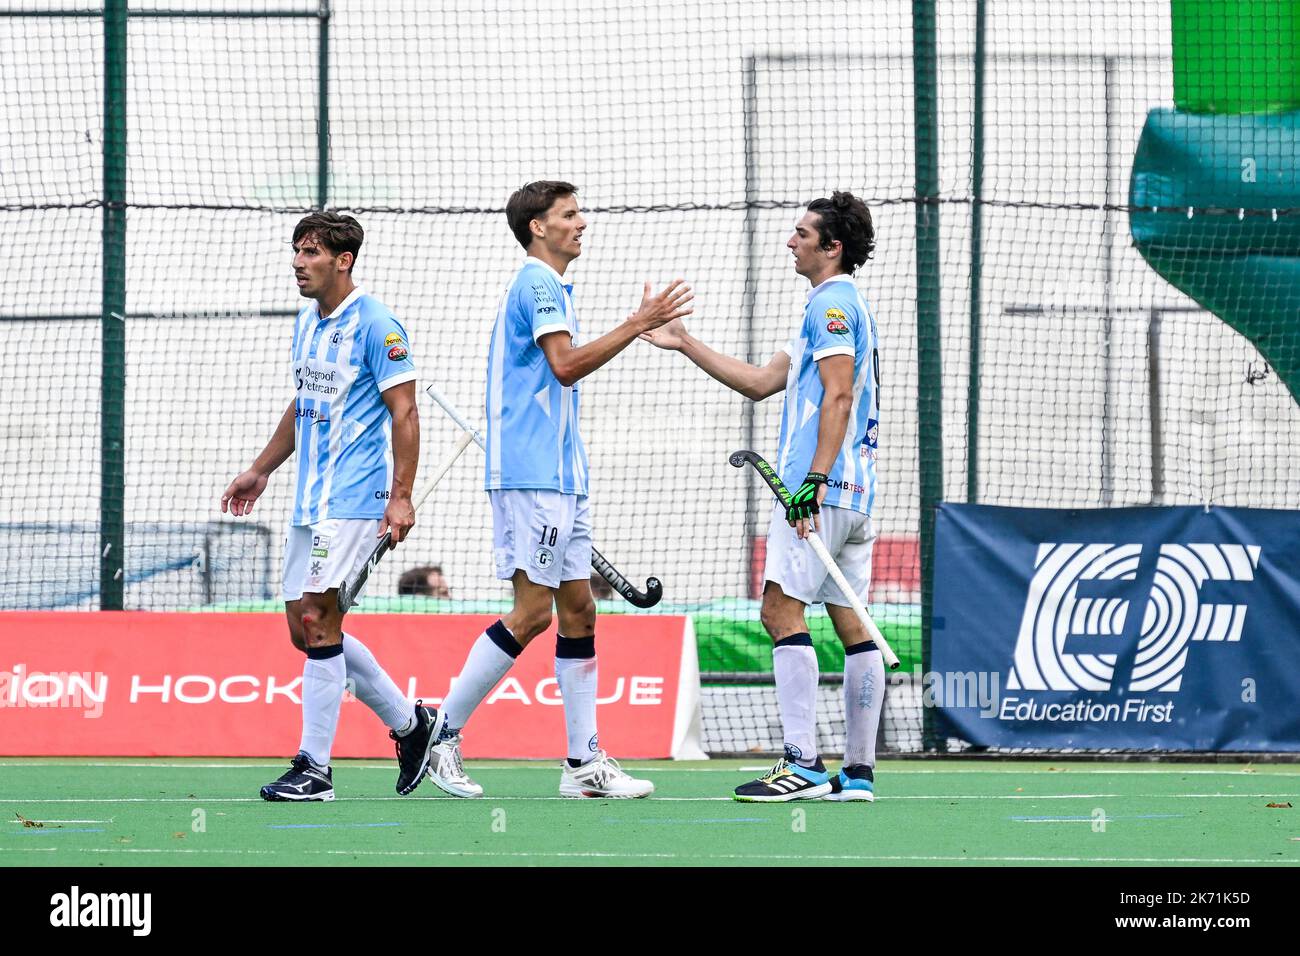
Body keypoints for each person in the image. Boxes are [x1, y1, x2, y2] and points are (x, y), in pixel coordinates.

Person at [424, 180, 691, 799]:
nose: (583, 223)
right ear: (538, 226)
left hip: (563, 476)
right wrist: (638, 322)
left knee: (579, 610)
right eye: (570, 215)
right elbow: (565, 365)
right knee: (533, 613)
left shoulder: (555, 287)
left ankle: (582, 766)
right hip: (532, 476)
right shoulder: (537, 282)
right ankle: (440, 735)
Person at [641, 192, 882, 802]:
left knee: (779, 612)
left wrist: (813, 482)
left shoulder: (831, 304)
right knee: (854, 625)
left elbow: (839, 397)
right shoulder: (832, 305)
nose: (790, 240)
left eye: (802, 233)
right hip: (853, 493)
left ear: (833, 247)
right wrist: (686, 342)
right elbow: (759, 384)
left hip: (817, 490)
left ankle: (802, 765)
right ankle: (857, 775)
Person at [221, 211, 442, 802]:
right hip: (309, 500)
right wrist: (260, 469)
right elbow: (304, 404)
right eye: (296, 251)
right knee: (307, 630)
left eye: (311, 252)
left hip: (355, 499)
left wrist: (400, 497)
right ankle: (412, 725)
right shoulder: (307, 322)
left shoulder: (377, 324)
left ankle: (314, 769)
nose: (298, 261)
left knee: (321, 623)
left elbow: (406, 413)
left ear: (343, 260)